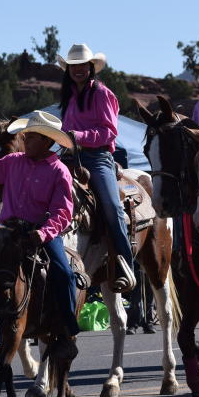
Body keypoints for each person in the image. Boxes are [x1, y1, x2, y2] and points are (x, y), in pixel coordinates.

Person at [0, 111, 80, 336]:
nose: (24, 140)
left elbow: (63, 212)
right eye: (25, 136)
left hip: (40, 232)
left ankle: (66, 326)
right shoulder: (13, 161)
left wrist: (43, 233)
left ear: (47, 141)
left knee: (64, 272)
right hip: (7, 230)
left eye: (31, 137)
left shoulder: (59, 171)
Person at [56, 43, 135, 294]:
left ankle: (125, 266)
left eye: (82, 65)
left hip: (98, 158)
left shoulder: (102, 93)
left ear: (91, 68)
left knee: (112, 208)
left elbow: (109, 131)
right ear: (68, 69)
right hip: (71, 157)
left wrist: (77, 136)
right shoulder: (68, 96)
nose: (78, 70)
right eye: (73, 66)